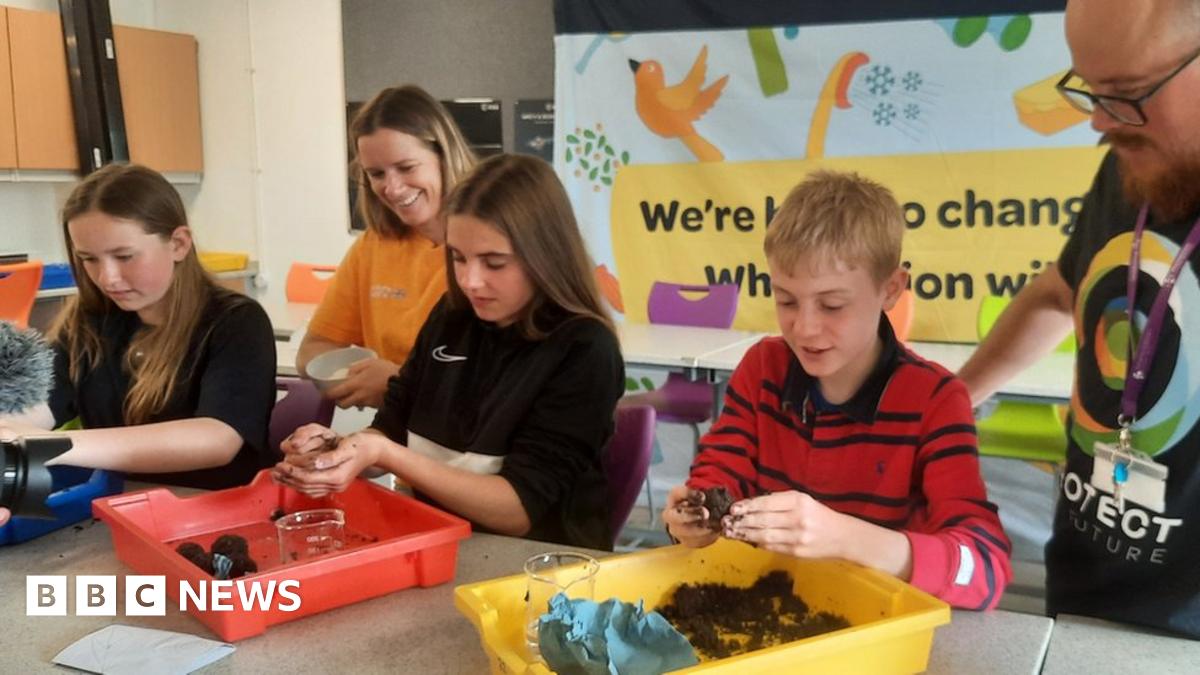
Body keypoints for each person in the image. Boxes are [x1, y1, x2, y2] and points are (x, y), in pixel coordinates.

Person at [958, 0, 1200, 636]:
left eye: (1126, 92)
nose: (1099, 120)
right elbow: (1062, 290)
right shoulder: (1134, 163)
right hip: (1081, 582)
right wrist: (953, 401)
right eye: (1091, 91)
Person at [663, 171, 1012, 609]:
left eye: (832, 305)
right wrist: (694, 513)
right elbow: (721, 469)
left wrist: (845, 537)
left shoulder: (935, 401)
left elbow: (983, 569)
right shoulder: (763, 369)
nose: (804, 328)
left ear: (891, 289)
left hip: (876, 620)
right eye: (786, 300)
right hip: (766, 606)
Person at [274, 154, 625, 550]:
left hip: (539, 562)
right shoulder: (452, 315)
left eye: (494, 263)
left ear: (545, 256)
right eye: (458, 257)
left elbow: (517, 510)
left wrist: (384, 453)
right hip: (438, 542)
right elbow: (392, 428)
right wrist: (341, 451)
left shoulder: (584, 349)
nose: (471, 281)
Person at [0, 164, 277, 489]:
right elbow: (35, 405)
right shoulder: (85, 322)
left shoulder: (237, 321)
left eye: (125, 256)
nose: (107, 278)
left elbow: (217, 439)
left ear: (178, 244)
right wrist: (8, 428)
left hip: (214, 506)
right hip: (115, 505)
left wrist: (55, 445)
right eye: (89, 259)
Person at [297, 85, 477, 409]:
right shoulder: (373, 247)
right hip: (397, 430)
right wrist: (358, 377)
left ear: (443, 155)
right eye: (376, 174)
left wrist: (399, 384)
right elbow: (313, 350)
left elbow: (505, 382)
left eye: (407, 168)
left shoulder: (494, 241)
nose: (392, 188)